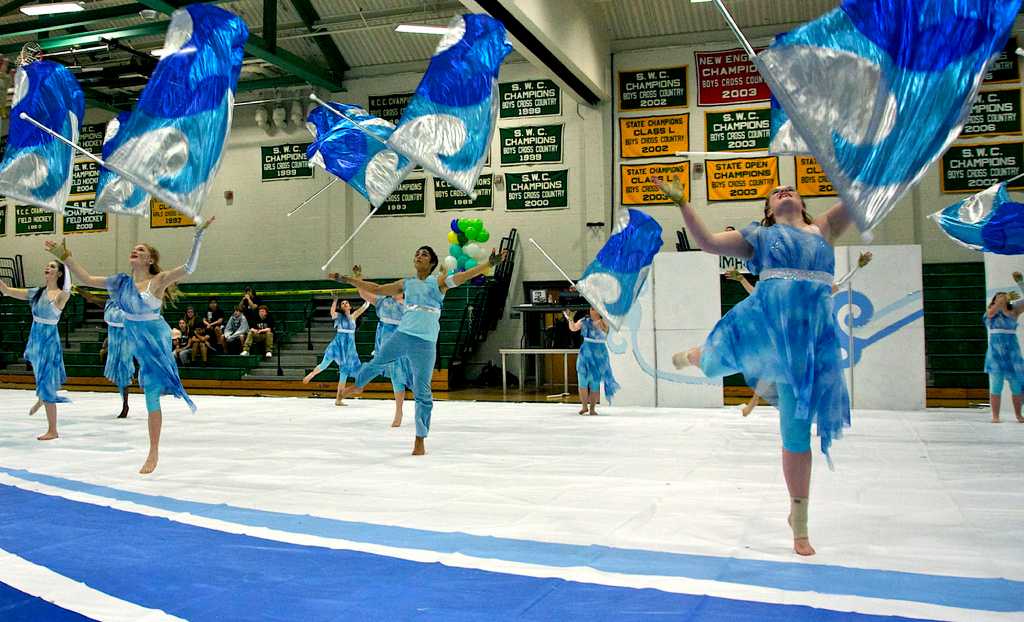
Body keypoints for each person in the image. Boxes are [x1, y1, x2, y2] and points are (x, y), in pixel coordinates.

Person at [653, 177, 853, 557]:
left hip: (808, 346)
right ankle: (696, 355)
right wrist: (683, 204)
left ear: (802, 202)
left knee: (796, 435)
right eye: (776, 191)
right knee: (715, 356)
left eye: (791, 189)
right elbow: (709, 243)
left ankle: (800, 518)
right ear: (768, 208)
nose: (784, 190)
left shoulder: (823, 228)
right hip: (763, 328)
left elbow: (860, 194)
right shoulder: (760, 237)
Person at [47, 218, 212, 474]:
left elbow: (189, 268)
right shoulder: (121, 283)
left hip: (155, 344)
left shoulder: (158, 281)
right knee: (142, 386)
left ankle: (153, 451)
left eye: (142, 250)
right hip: (131, 337)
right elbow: (87, 278)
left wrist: (198, 235)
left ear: (150, 260)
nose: (136, 251)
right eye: (134, 249)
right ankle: (151, 446)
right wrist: (65, 256)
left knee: (150, 395)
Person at [334, 245, 507, 455]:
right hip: (403, 334)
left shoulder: (438, 283)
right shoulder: (406, 284)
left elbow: (462, 277)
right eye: (417, 253)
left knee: (422, 390)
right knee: (378, 360)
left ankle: (420, 438)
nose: (419, 256)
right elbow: (377, 289)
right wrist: (349, 279)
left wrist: (488, 264)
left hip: (425, 342)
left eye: (424, 254)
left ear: (432, 263)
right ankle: (360, 384)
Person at [724, 251, 873, 418]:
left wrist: (858, 267)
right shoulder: (785, 296)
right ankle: (755, 402)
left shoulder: (812, 294)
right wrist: (742, 279)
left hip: (807, 344)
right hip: (787, 341)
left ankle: (810, 410)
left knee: (805, 377)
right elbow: (757, 295)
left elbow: (841, 283)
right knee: (770, 369)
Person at [0, 260, 71, 440]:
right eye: (47, 265)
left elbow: (69, 289)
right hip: (36, 339)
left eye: (53, 266)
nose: (47, 268)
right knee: (41, 376)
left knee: (46, 382)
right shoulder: (37, 292)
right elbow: (7, 291)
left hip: (49, 341)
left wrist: (64, 259)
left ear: (60, 274)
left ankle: (53, 430)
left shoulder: (62, 295)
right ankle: (42, 397)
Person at [356, 276, 410, 427]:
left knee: (404, 376)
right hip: (386, 345)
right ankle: (398, 411)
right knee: (396, 376)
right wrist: (357, 279)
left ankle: (402, 410)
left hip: (401, 343)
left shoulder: (409, 305)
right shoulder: (384, 302)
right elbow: (364, 294)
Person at [302, 295, 369, 405]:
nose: (345, 304)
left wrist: (367, 296)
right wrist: (335, 300)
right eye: (342, 303)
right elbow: (332, 312)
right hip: (338, 344)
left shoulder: (353, 316)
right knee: (325, 363)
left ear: (350, 306)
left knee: (344, 373)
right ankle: (311, 375)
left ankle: (338, 399)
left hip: (349, 348)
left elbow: (365, 306)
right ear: (341, 307)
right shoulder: (338, 316)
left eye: (346, 303)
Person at [81, 288, 133, 418]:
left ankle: (125, 404)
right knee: (117, 373)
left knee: (124, 371)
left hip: (126, 340)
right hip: (113, 341)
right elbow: (91, 298)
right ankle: (124, 402)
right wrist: (78, 289)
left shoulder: (131, 303)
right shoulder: (109, 303)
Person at [984, 271, 1024, 423]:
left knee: (1017, 386)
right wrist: (1002, 299)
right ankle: (995, 416)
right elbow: (992, 310)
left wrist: (1020, 282)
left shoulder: (1014, 311)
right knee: (996, 386)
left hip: (1013, 355)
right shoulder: (990, 314)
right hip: (996, 356)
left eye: (1004, 297)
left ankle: (1019, 415)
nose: (1002, 299)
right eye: (998, 298)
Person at [564, 308, 618, 416]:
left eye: (594, 309)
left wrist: (600, 320)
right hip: (585, 354)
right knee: (582, 380)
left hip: (598, 355)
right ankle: (584, 406)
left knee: (595, 383)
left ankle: (592, 408)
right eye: (591, 309)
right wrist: (570, 319)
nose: (591, 311)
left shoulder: (604, 322)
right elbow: (573, 328)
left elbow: (605, 329)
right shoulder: (584, 321)